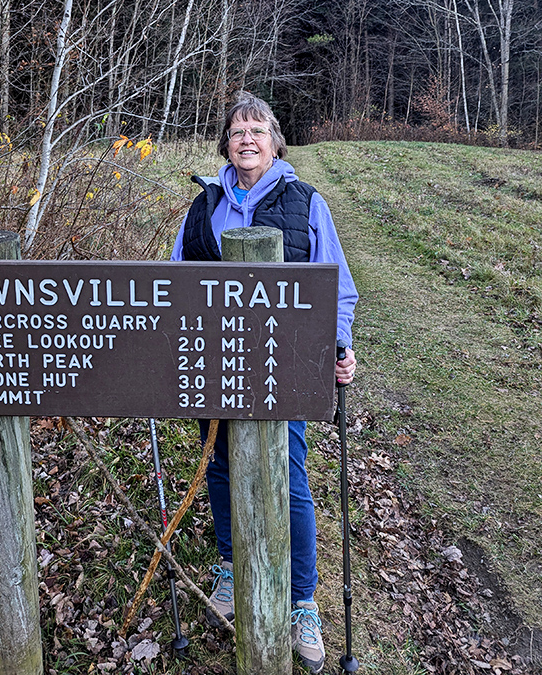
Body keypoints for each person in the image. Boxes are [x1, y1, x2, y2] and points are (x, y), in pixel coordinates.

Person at [170, 91, 358, 674]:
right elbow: (174, 286)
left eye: (257, 130)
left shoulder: (306, 204)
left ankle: (303, 601)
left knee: (289, 474)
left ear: (275, 142)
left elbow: (339, 289)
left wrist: (339, 347)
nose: (246, 139)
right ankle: (229, 569)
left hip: (285, 367)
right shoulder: (202, 208)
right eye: (236, 131)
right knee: (221, 466)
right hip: (215, 365)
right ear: (226, 144)